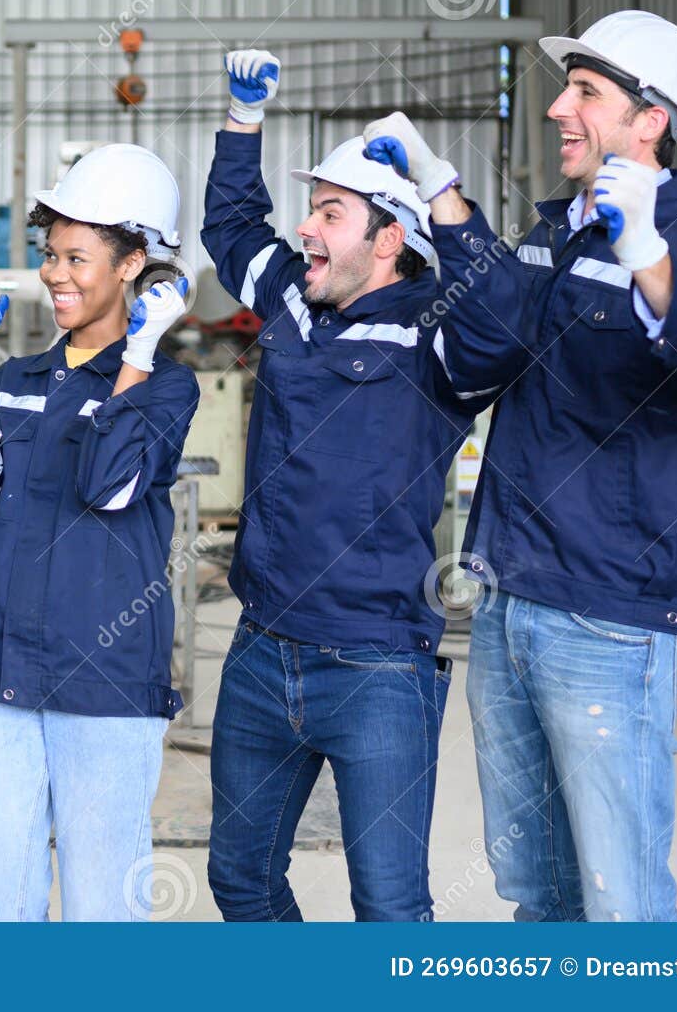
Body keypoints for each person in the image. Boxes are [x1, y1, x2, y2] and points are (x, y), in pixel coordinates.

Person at [363, 10, 677, 921]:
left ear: (650, 119)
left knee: (619, 900)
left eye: (585, 92)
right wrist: (443, 197)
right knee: (538, 893)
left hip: (608, 620)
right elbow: (495, 334)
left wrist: (652, 263)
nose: (556, 109)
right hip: (509, 600)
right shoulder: (555, 234)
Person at [203, 50, 492, 921]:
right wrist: (241, 121)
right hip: (260, 647)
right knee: (240, 880)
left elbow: (506, 322)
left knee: (391, 907)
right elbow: (233, 228)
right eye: (311, 210)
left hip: (376, 664)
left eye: (330, 213)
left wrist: (444, 195)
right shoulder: (293, 298)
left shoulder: (438, 329)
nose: (307, 230)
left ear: (390, 240)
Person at [0, 144, 199, 921]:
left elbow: (108, 484)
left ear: (132, 263)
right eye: (51, 255)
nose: (56, 275)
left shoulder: (169, 385)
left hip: (104, 676)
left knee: (100, 901)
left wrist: (138, 355)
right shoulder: (20, 379)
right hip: (6, 665)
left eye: (78, 257)